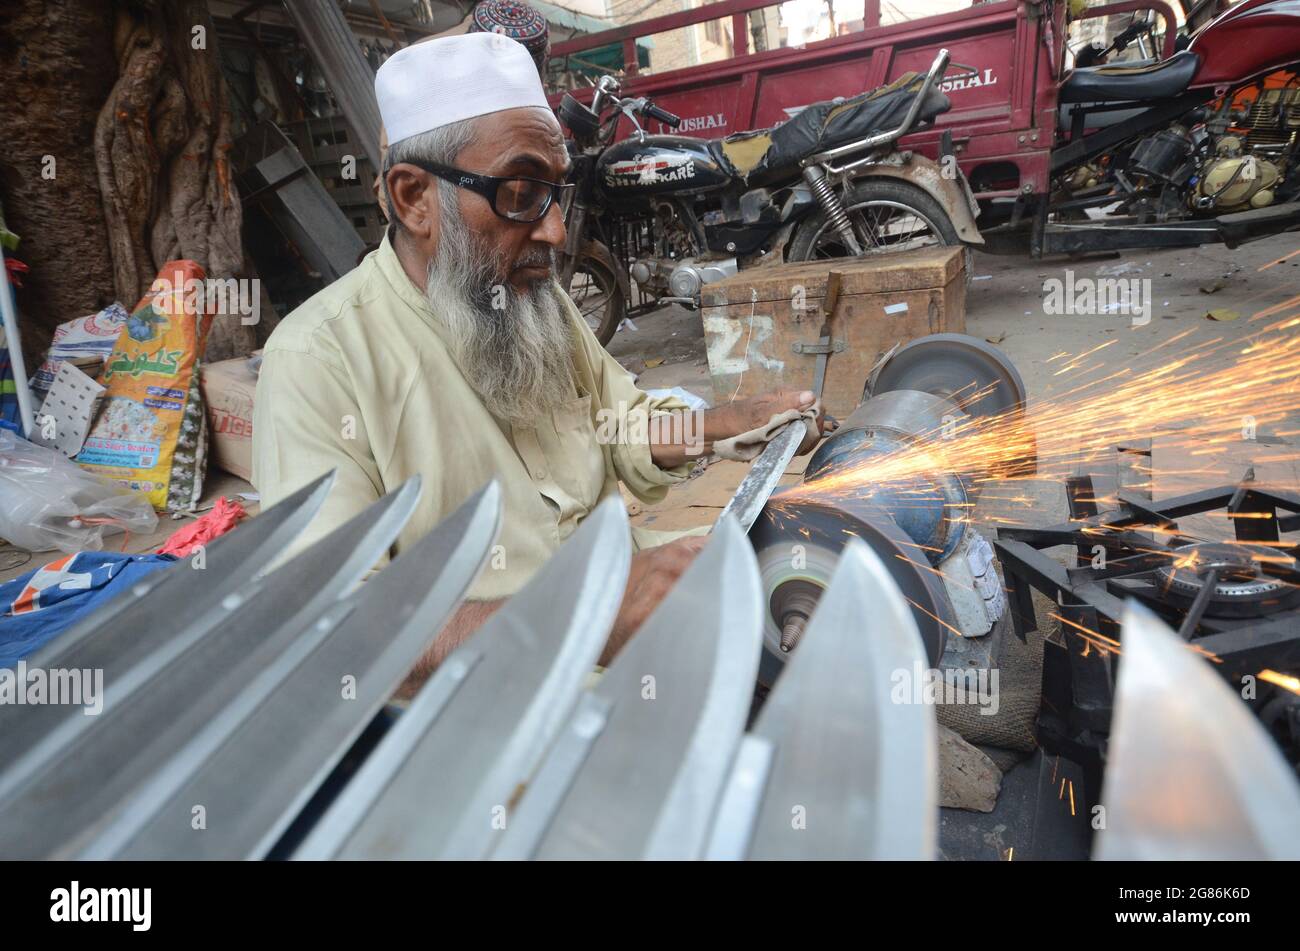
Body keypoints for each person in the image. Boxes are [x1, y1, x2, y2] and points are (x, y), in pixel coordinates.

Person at [252, 33, 828, 694]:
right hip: (495, 718)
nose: (555, 231)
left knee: (806, 550)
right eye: (521, 193)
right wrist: (587, 616)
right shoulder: (318, 360)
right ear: (415, 198)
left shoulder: (532, 297)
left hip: (626, 638)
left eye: (556, 192)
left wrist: (729, 423)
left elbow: (621, 424)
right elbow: (342, 628)